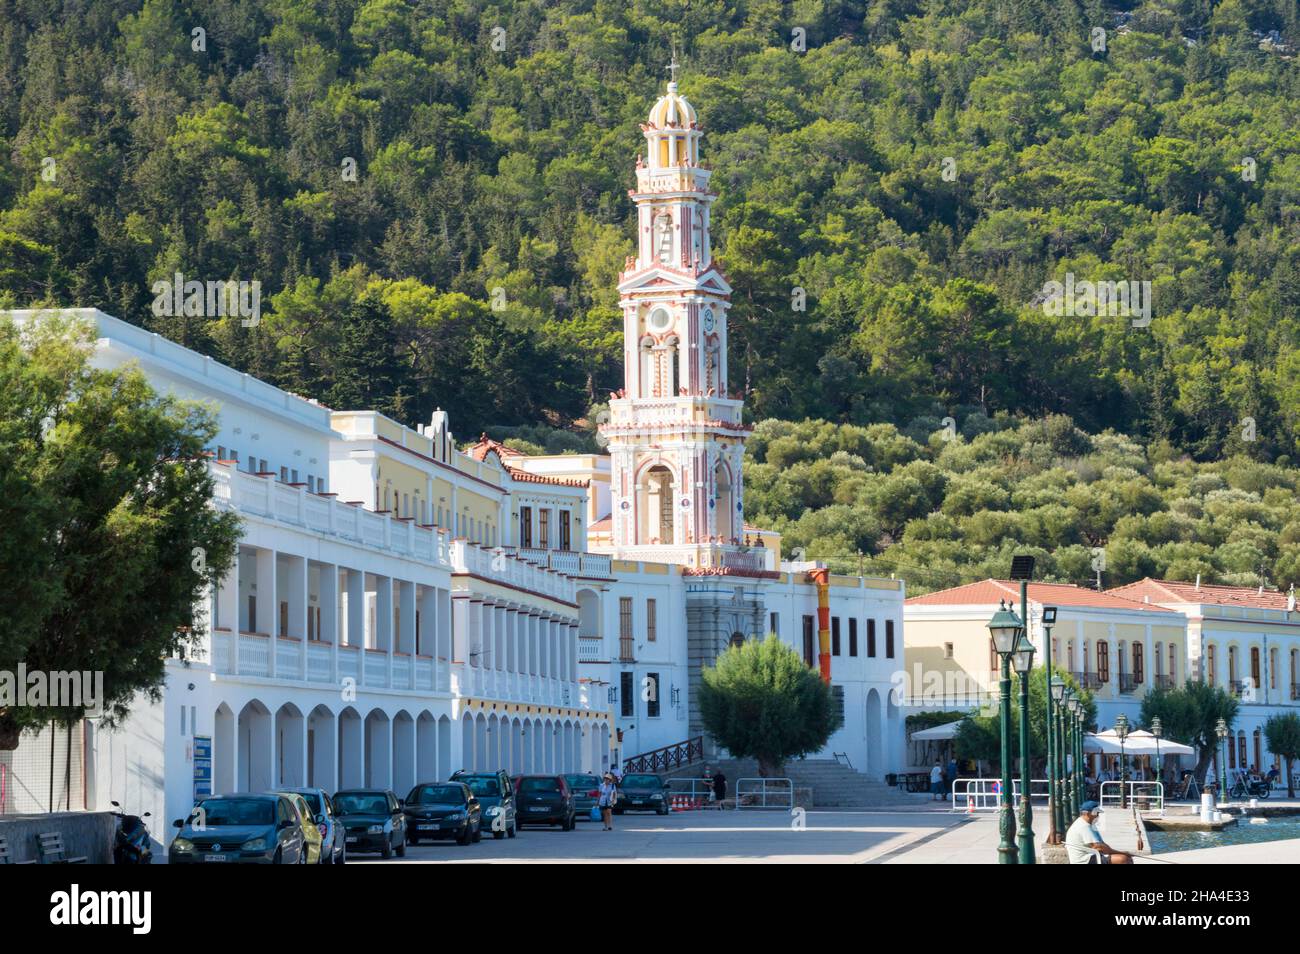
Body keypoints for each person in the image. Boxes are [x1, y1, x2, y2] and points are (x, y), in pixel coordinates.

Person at [1065, 801, 1132, 864]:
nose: (1098, 815)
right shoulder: (1083, 826)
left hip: (1091, 855)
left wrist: (1117, 852)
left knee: (1127, 858)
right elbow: (1098, 847)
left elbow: (1101, 844)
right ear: (1087, 813)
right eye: (1096, 813)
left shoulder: (1090, 824)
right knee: (1122, 859)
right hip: (1084, 860)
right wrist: (1121, 853)